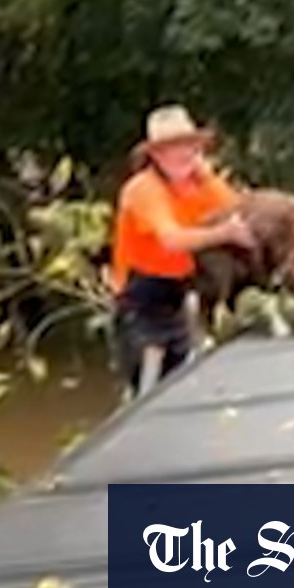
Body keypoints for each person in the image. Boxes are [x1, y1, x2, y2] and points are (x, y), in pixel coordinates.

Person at [109, 104, 255, 395]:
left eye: (189, 146)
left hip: (181, 293)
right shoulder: (143, 190)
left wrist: (209, 180)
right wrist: (223, 234)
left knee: (179, 384)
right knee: (147, 391)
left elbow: (240, 213)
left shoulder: (199, 185)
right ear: (156, 155)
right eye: (172, 148)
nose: (184, 154)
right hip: (141, 304)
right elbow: (171, 239)